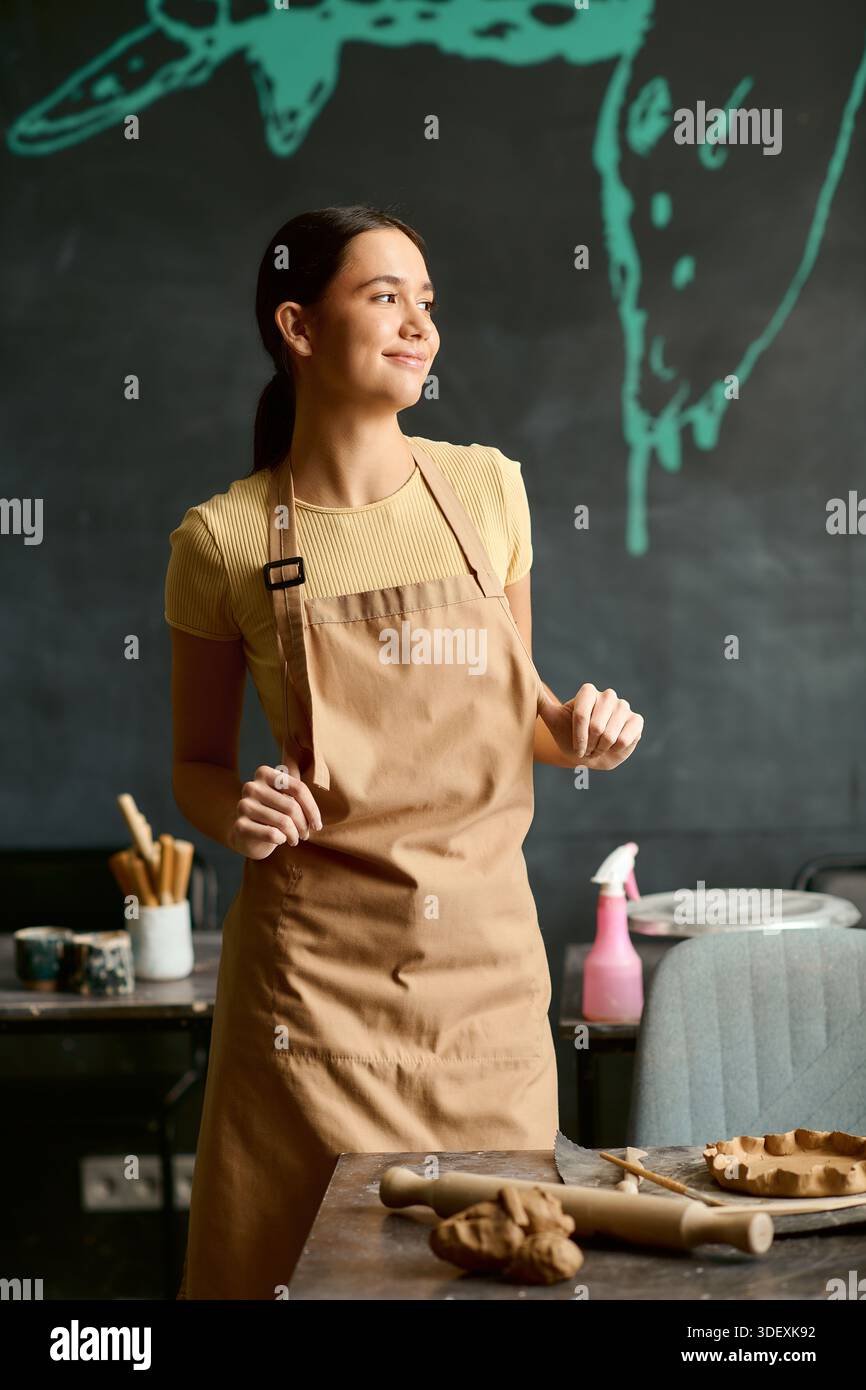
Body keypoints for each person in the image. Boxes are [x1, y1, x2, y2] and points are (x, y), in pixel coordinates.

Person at [164, 204, 644, 1298]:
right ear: (296, 324)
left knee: (502, 1264)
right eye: (384, 296)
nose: (418, 323)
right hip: (310, 1005)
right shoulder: (224, 538)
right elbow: (194, 763)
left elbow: (517, 708)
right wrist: (232, 807)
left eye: (425, 302)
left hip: (484, 985)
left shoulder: (485, 491)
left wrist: (575, 732)